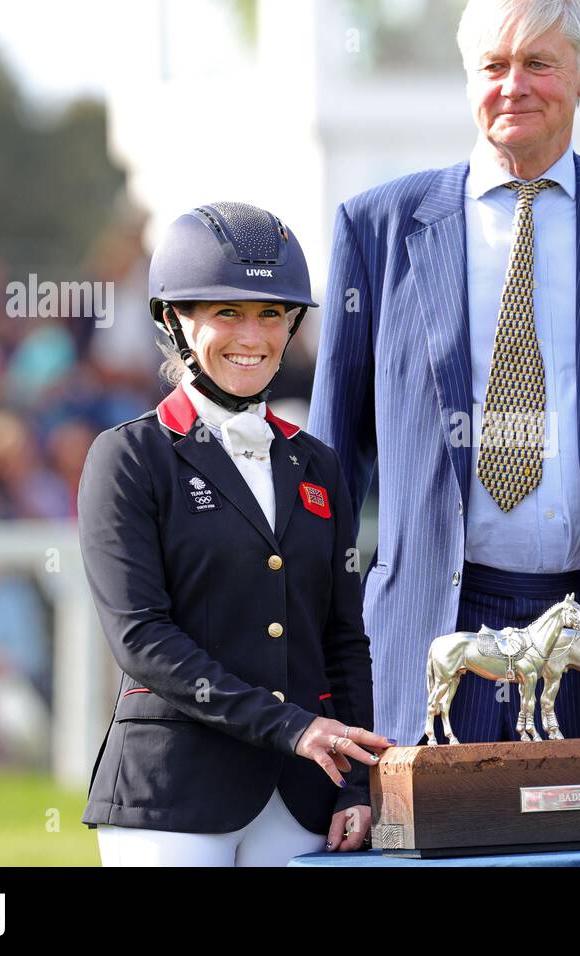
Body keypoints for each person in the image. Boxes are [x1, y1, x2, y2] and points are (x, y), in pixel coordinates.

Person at [309, 0, 580, 746]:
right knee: (439, 856)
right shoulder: (375, 227)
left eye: (539, 63)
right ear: (468, 78)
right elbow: (333, 467)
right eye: (494, 66)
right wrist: (316, 646)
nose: (515, 86)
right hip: (437, 633)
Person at [78, 202, 389, 865]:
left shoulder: (318, 463)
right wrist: (293, 728)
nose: (253, 335)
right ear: (176, 321)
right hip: (174, 794)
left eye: (271, 315)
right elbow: (142, 638)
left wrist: (358, 782)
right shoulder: (129, 458)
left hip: (306, 799)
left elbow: (342, 636)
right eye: (228, 313)